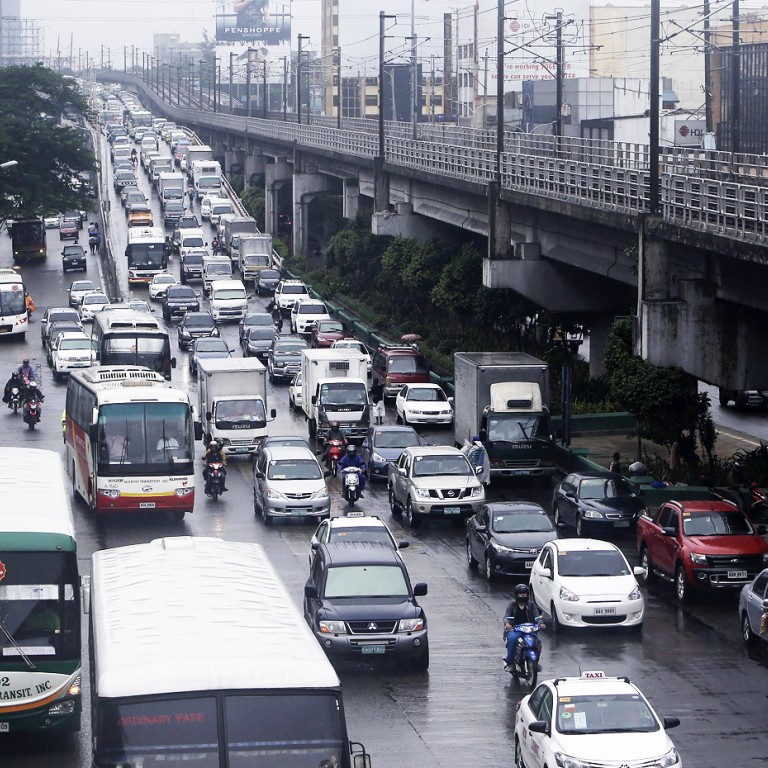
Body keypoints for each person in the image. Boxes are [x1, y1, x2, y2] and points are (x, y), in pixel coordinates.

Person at [503, 583, 543, 672]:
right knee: (512, 640)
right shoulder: (512, 605)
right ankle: (510, 663)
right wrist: (507, 624)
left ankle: (535, 662)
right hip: (515, 629)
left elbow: (537, 616)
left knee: (538, 643)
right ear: (516, 595)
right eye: (520, 593)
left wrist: (540, 623)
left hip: (529, 629)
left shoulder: (531, 605)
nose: (522, 595)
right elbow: (507, 617)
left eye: (524, 593)